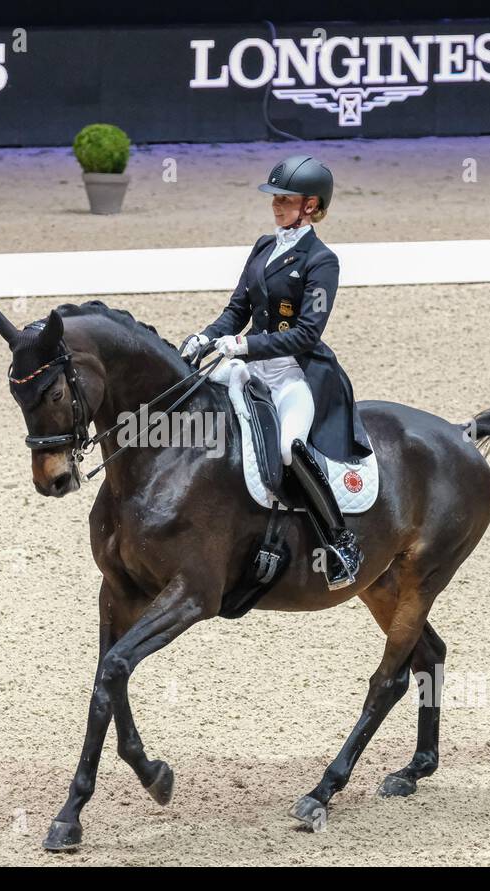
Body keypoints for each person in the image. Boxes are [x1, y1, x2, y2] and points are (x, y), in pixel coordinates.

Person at [180, 155, 371, 590]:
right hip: (249, 367)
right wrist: (205, 337)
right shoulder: (264, 246)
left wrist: (245, 345)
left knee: (287, 448)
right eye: (275, 197)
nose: (276, 205)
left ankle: (341, 541)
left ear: (311, 205)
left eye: (285, 198)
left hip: (293, 374)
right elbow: (237, 310)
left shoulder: (322, 261)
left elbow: (306, 332)